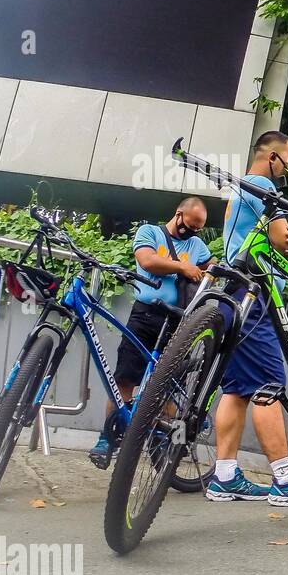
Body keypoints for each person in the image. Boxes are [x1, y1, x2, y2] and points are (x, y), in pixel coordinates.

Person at [205, 130, 288, 507]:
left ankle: (224, 476)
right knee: (268, 385)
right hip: (255, 295)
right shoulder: (263, 186)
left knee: (236, 390)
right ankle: (285, 478)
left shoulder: (239, 189)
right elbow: (284, 239)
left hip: (233, 293)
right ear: (273, 157)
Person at [89, 197, 212, 467]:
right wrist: (183, 267)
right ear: (178, 214)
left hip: (178, 321)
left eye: (198, 228)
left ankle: (165, 443)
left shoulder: (197, 245)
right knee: (124, 379)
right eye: (190, 225)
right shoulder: (150, 232)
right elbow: (147, 261)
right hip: (145, 316)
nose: (192, 232)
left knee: (168, 385)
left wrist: (207, 274)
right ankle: (107, 438)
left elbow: (211, 269)